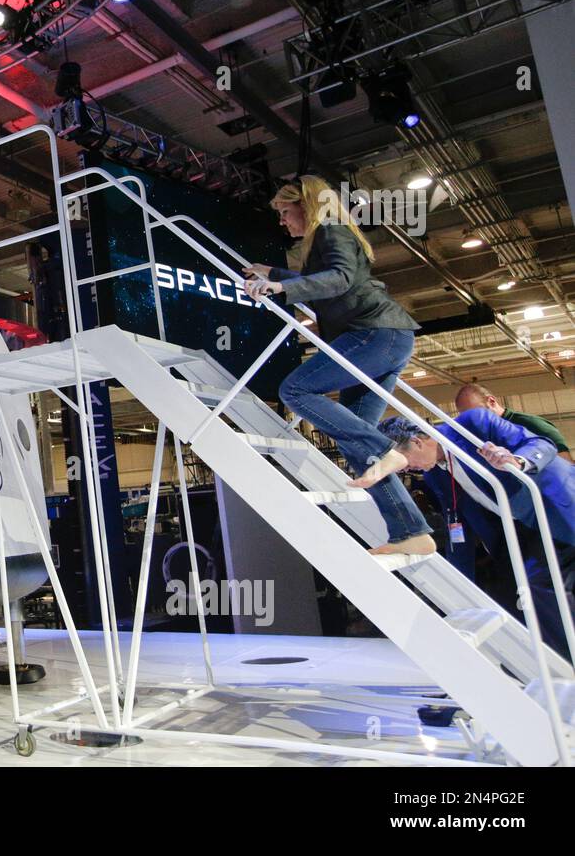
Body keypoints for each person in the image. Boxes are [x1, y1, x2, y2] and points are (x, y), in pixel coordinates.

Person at [243, 175, 433, 557]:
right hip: (386, 337)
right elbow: (334, 278)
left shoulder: (330, 228)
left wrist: (281, 289)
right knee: (354, 441)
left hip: (375, 333)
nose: (282, 221)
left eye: (284, 211)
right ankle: (412, 532)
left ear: (306, 204)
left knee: (295, 389)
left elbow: (341, 279)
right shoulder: (329, 234)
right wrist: (275, 274)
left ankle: (387, 449)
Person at [376, 408, 575, 656]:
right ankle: (542, 660)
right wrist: (459, 585)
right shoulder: (435, 475)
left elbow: (541, 444)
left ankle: (565, 661)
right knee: (511, 591)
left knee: (540, 585)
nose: (404, 470)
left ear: (417, 442)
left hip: (559, 507)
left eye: (403, 463)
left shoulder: (474, 424)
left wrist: (518, 461)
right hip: (522, 530)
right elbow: (457, 526)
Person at [454, 383, 572, 462]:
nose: (475, 420)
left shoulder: (532, 425)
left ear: (491, 401)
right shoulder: (481, 437)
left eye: (477, 413)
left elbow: (565, 461)